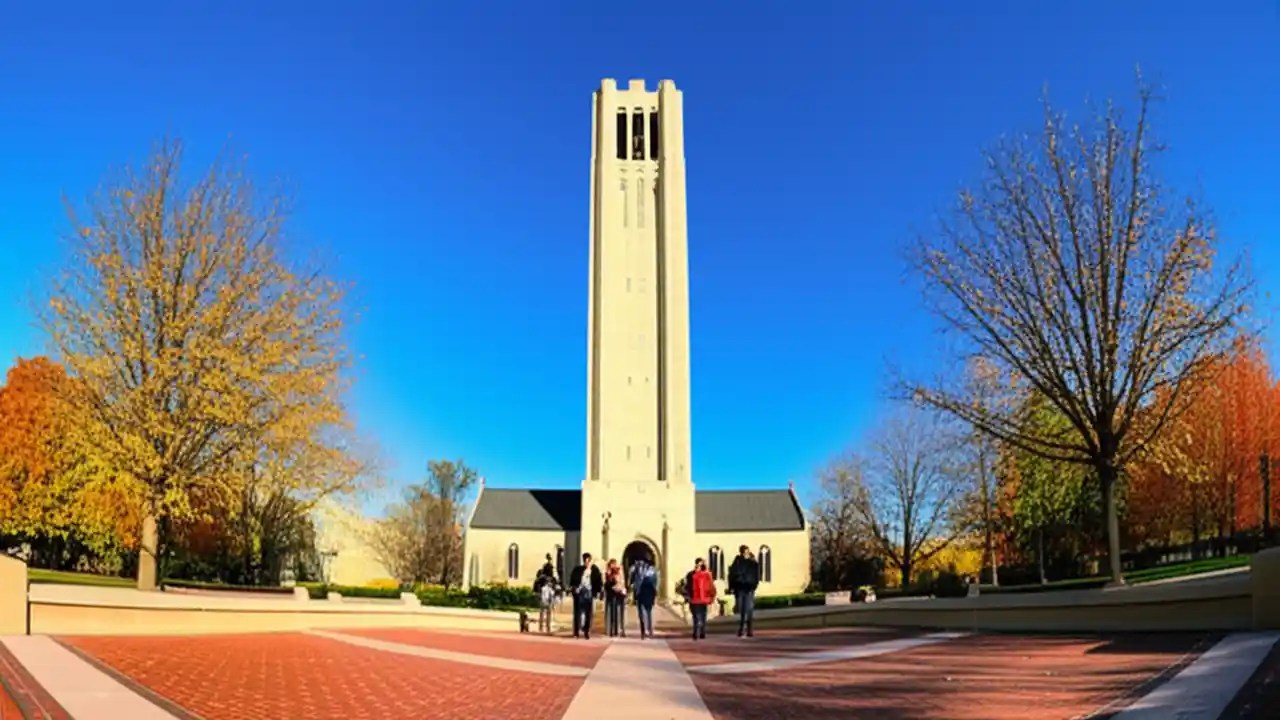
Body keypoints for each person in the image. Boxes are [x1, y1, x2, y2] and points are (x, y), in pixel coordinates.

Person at [567, 552, 603, 639]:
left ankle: (586, 631)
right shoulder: (578, 570)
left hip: (589, 593)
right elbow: (573, 581)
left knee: (588, 613)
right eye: (585, 561)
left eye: (588, 561)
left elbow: (599, 582)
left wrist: (599, 592)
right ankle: (576, 632)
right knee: (577, 613)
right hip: (579, 593)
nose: (587, 563)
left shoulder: (594, 570)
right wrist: (574, 589)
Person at [727, 545, 760, 638]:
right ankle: (742, 628)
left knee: (749, 609)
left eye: (747, 552)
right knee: (742, 609)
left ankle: (749, 629)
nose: (745, 554)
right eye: (744, 552)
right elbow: (731, 575)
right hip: (740, 588)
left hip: (749, 588)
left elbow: (757, 576)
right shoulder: (737, 562)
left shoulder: (753, 563)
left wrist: (753, 586)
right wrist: (731, 587)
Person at [685, 557, 715, 641]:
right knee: (698, 616)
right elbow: (688, 586)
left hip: (701, 599)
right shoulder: (692, 574)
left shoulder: (704, 574)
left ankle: (700, 632)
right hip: (697, 598)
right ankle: (698, 632)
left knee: (700, 616)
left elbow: (711, 585)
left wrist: (712, 596)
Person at [630, 558, 659, 639]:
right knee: (642, 614)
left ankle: (648, 631)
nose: (639, 563)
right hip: (640, 594)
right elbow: (632, 581)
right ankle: (645, 631)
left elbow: (655, 584)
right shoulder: (635, 570)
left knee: (647, 614)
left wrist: (655, 594)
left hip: (648, 595)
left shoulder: (652, 571)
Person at [603, 559, 627, 637]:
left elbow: (622, 582)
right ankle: (612, 630)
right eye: (611, 565)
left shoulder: (619, 572)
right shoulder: (608, 573)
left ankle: (620, 630)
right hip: (612, 595)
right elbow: (607, 584)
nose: (613, 566)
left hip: (620, 595)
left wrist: (620, 587)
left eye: (614, 564)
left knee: (620, 613)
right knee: (612, 613)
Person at [533, 566, 557, 634]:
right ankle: (546, 627)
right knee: (547, 612)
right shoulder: (551, 579)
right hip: (546, 597)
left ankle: (542, 627)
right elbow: (555, 587)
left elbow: (536, 586)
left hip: (545, 597)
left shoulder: (542, 578)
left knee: (543, 612)